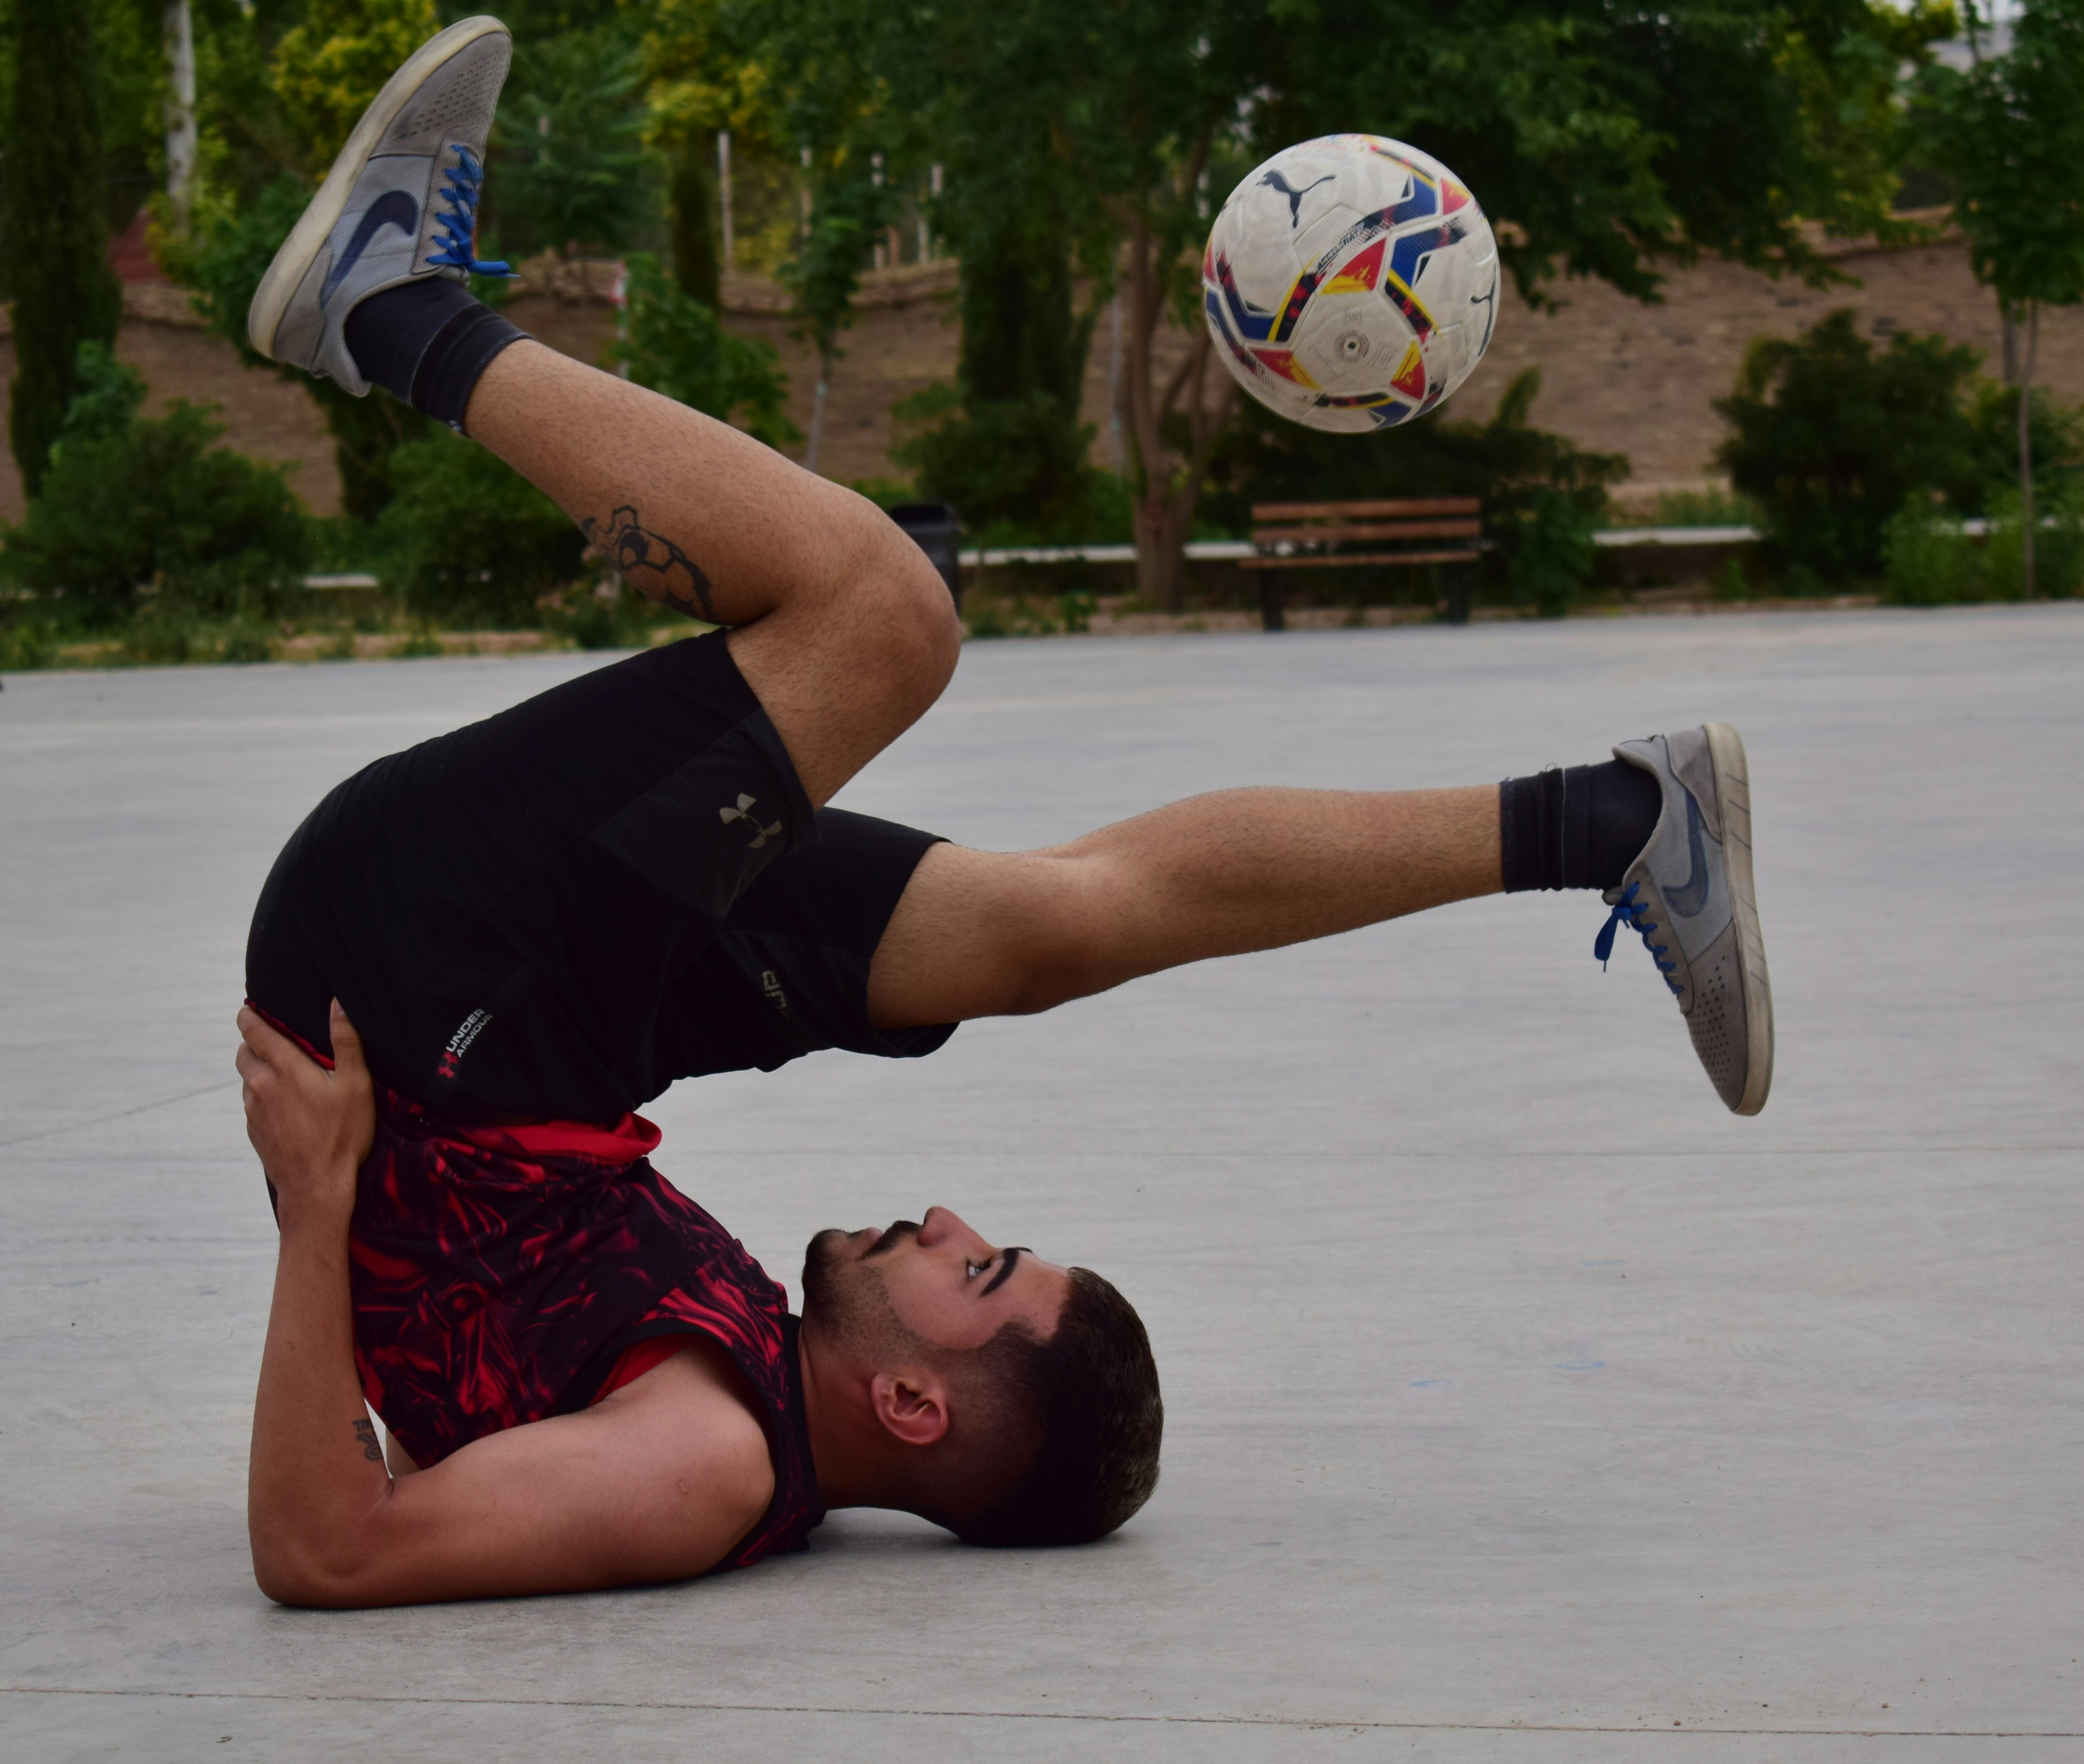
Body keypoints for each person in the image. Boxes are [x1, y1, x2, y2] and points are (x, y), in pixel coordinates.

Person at [230, 18, 1775, 1609]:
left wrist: (323, 1199)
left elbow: (325, 1548)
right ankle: (1616, 824)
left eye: (974, 1271)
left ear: (915, 1405)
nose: (950, 1216)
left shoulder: (702, 1467)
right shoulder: (759, 1407)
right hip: (557, 1042)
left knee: (885, 619)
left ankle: (392, 305)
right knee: (1052, 930)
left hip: (431, 995)